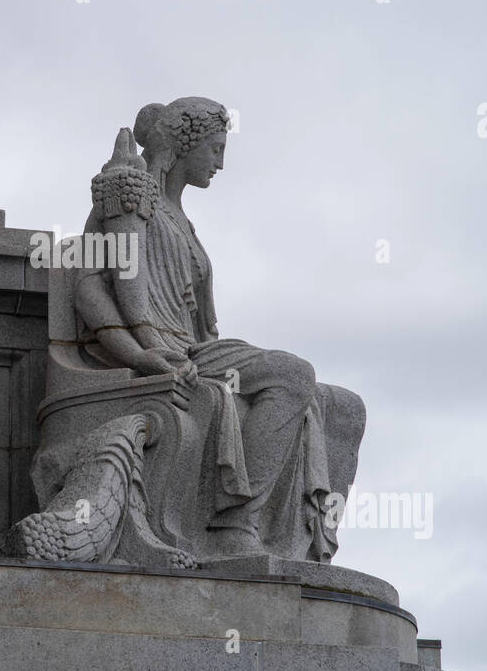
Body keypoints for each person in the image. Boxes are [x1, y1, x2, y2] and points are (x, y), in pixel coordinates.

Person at [73, 97, 366, 560]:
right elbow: (89, 286)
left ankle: (306, 548)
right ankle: (233, 521)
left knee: (344, 408)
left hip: (197, 348)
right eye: (215, 148)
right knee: (293, 374)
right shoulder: (129, 193)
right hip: (167, 349)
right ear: (186, 142)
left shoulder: (182, 219)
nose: (221, 163)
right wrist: (138, 353)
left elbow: (200, 322)